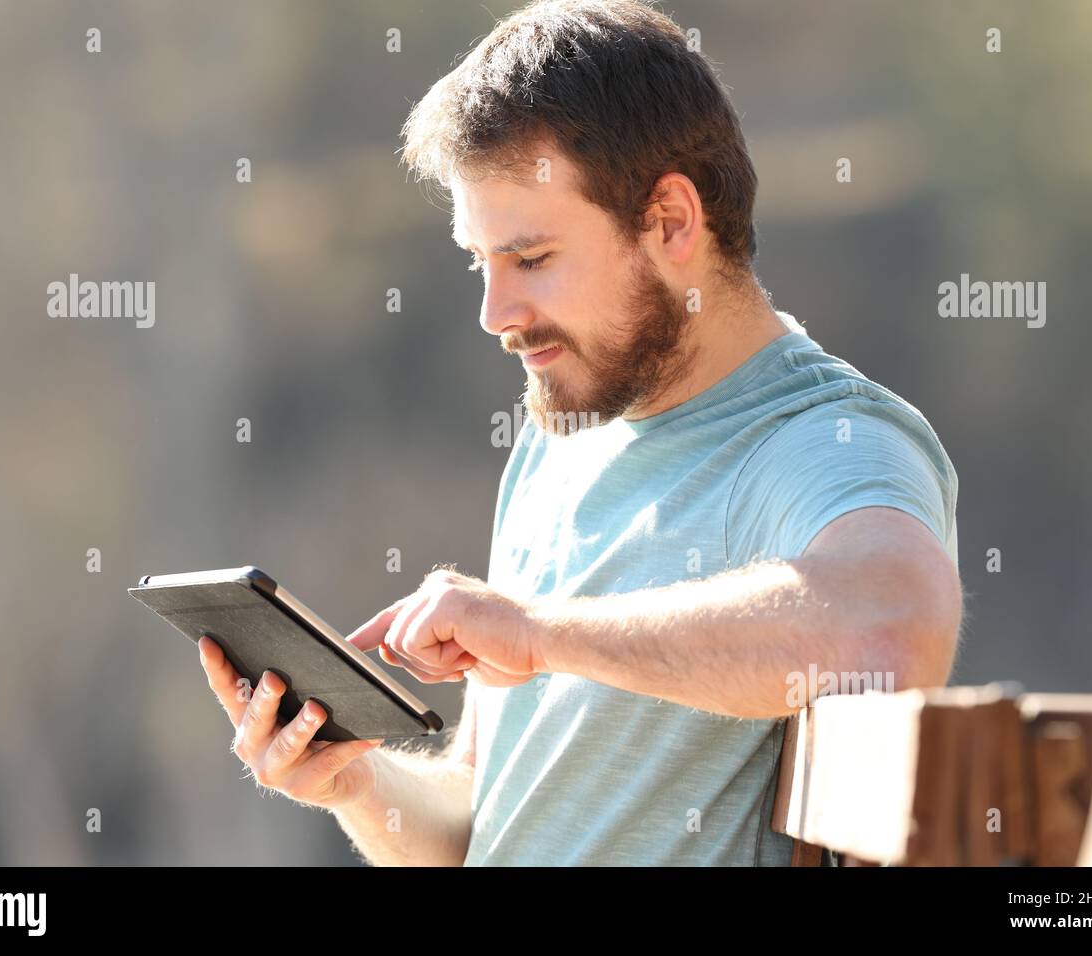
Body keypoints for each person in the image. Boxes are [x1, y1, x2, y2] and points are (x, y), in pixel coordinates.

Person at [199, 0, 964, 866]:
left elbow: (892, 631)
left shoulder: (824, 440)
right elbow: (484, 821)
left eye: (531, 259)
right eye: (477, 263)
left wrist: (539, 632)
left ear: (671, 222)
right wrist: (356, 788)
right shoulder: (560, 435)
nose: (495, 314)